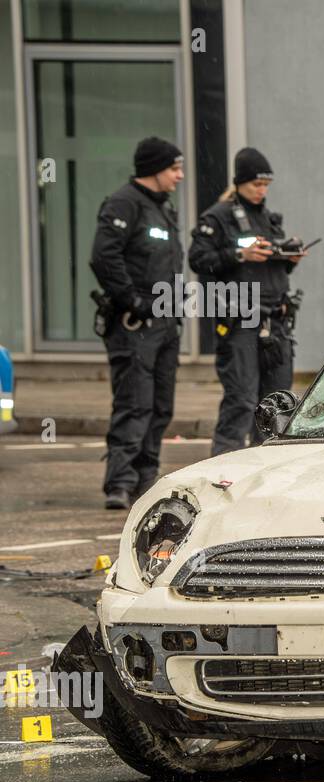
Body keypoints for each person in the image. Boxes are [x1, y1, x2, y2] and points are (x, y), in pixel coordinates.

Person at [189, 148, 306, 456]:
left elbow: (274, 270)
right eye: (256, 184)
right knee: (241, 400)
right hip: (240, 321)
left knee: (277, 402)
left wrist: (289, 258)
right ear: (239, 182)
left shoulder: (269, 219)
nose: (262, 190)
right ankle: (223, 469)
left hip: (276, 321)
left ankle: (267, 467)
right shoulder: (218, 217)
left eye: (266, 185)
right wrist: (240, 254)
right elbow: (198, 259)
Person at [89, 137, 185, 510]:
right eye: (174, 168)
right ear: (155, 168)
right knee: (134, 402)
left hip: (165, 323)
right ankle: (121, 482)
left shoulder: (162, 208)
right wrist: (132, 300)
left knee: (161, 404)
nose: (179, 176)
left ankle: (147, 476)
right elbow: (103, 257)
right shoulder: (124, 203)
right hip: (135, 324)